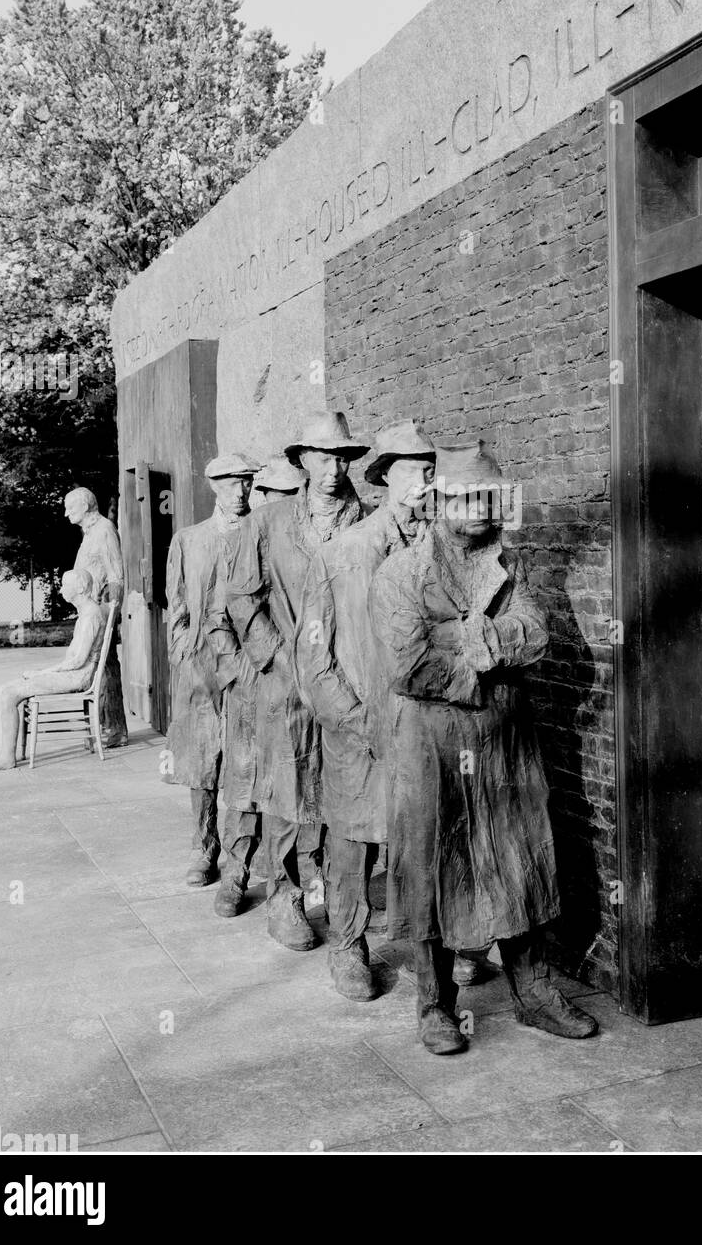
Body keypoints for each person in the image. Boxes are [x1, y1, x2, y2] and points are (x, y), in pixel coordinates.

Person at [368, 441, 599, 1054]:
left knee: (518, 855)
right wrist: (484, 663)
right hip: (432, 744)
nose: (477, 506)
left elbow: (539, 636)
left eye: (486, 495)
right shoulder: (399, 573)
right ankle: (435, 1006)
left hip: (504, 741)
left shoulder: (509, 565)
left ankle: (535, 993)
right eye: (464, 495)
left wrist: (469, 636)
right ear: (441, 502)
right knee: (430, 864)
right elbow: (409, 666)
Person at [298, 418, 435, 1000]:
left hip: (422, 723)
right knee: (354, 838)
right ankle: (348, 945)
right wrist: (355, 720)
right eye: (411, 473)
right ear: (384, 478)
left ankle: (434, 945)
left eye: (431, 473)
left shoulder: (440, 550)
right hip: (357, 726)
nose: (423, 485)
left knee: (424, 834)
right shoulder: (343, 553)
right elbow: (313, 657)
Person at [228, 410, 368, 951]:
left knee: (347, 796)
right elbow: (242, 600)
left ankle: (342, 902)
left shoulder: (369, 521)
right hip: (285, 684)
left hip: (349, 683)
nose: (331, 467)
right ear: (301, 460)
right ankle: (284, 898)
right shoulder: (266, 524)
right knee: (286, 797)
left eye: (340, 456)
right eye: (320, 455)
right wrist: (278, 662)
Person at [163, 454, 259, 888]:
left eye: (246, 483)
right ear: (213, 485)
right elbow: (177, 604)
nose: (241, 491)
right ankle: (204, 849)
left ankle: (243, 858)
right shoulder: (189, 539)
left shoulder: (263, 532)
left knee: (244, 760)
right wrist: (184, 653)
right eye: (232, 483)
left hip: (248, 663)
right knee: (202, 762)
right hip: (200, 665)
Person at [0, 569, 106, 772]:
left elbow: (78, 661)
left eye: (65, 584)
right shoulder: (87, 613)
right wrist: (43, 672)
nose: (62, 589)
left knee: (8, 693)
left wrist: (41, 673)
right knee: (5, 690)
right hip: (71, 674)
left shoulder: (91, 615)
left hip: (76, 677)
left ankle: (6, 756)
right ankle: (2, 752)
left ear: (80, 588)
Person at [64, 487, 128, 747]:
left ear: (85, 506)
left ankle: (113, 729)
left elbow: (116, 574)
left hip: (101, 612)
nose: (66, 512)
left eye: (70, 507)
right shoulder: (89, 533)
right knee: (95, 669)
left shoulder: (104, 529)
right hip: (90, 611)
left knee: (105, 668)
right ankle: (100, 725)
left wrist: (112, 613)